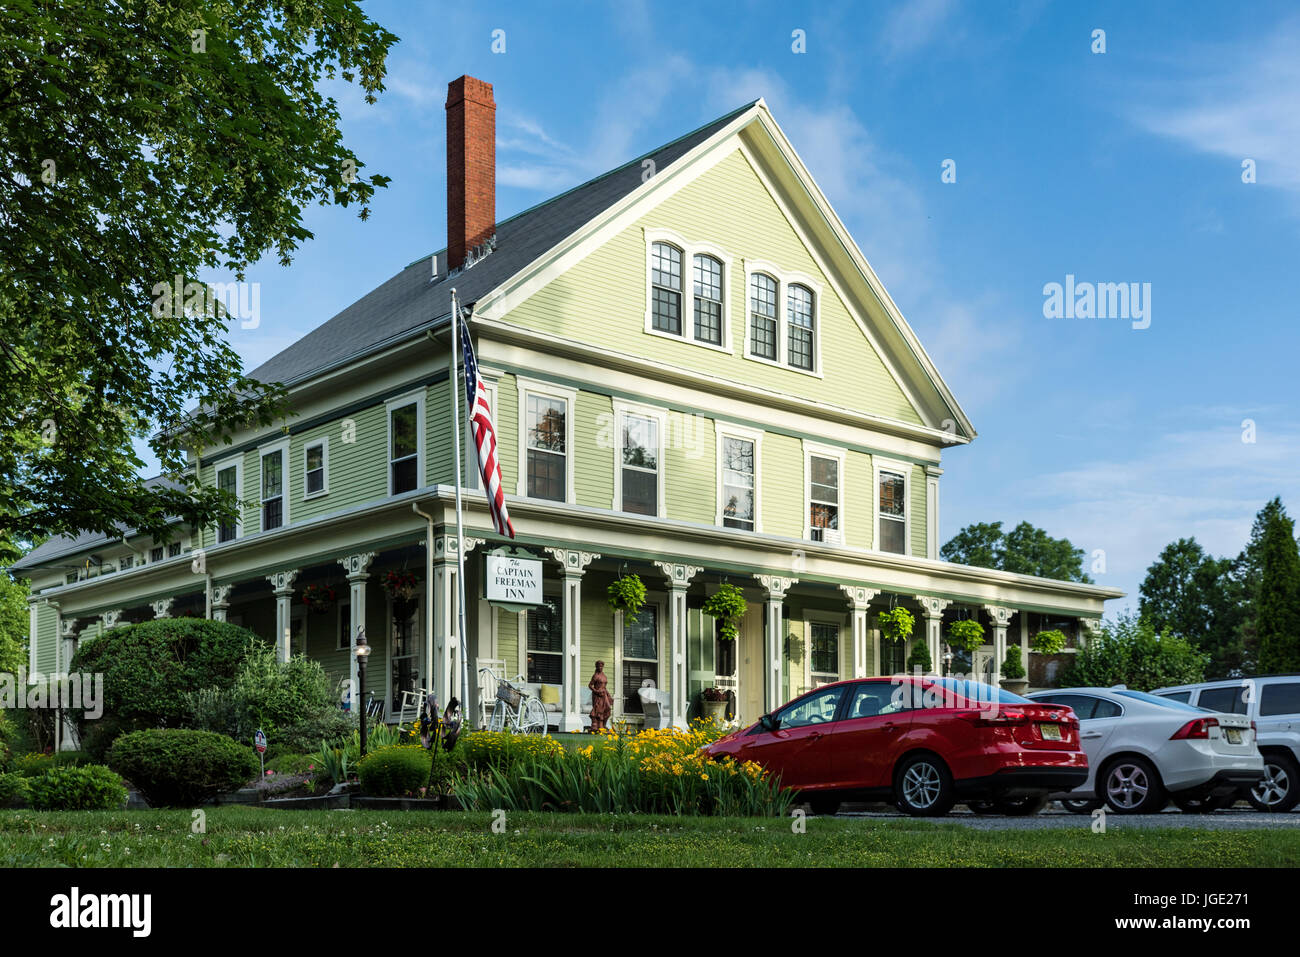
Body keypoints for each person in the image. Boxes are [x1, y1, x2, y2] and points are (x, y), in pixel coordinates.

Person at [588, 661, 614, 732]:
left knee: (608, 708)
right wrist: (596, 691)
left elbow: (604, 687)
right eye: (599, 666)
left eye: (601, 666)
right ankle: (598, 726)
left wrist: (609, 696)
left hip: (604, 694)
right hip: (597, 695)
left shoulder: (604, 676)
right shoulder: (595, 676)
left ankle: (604, 725)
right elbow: (590, 685)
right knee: (598, 710)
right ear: (596, 667)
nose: (600, 667)